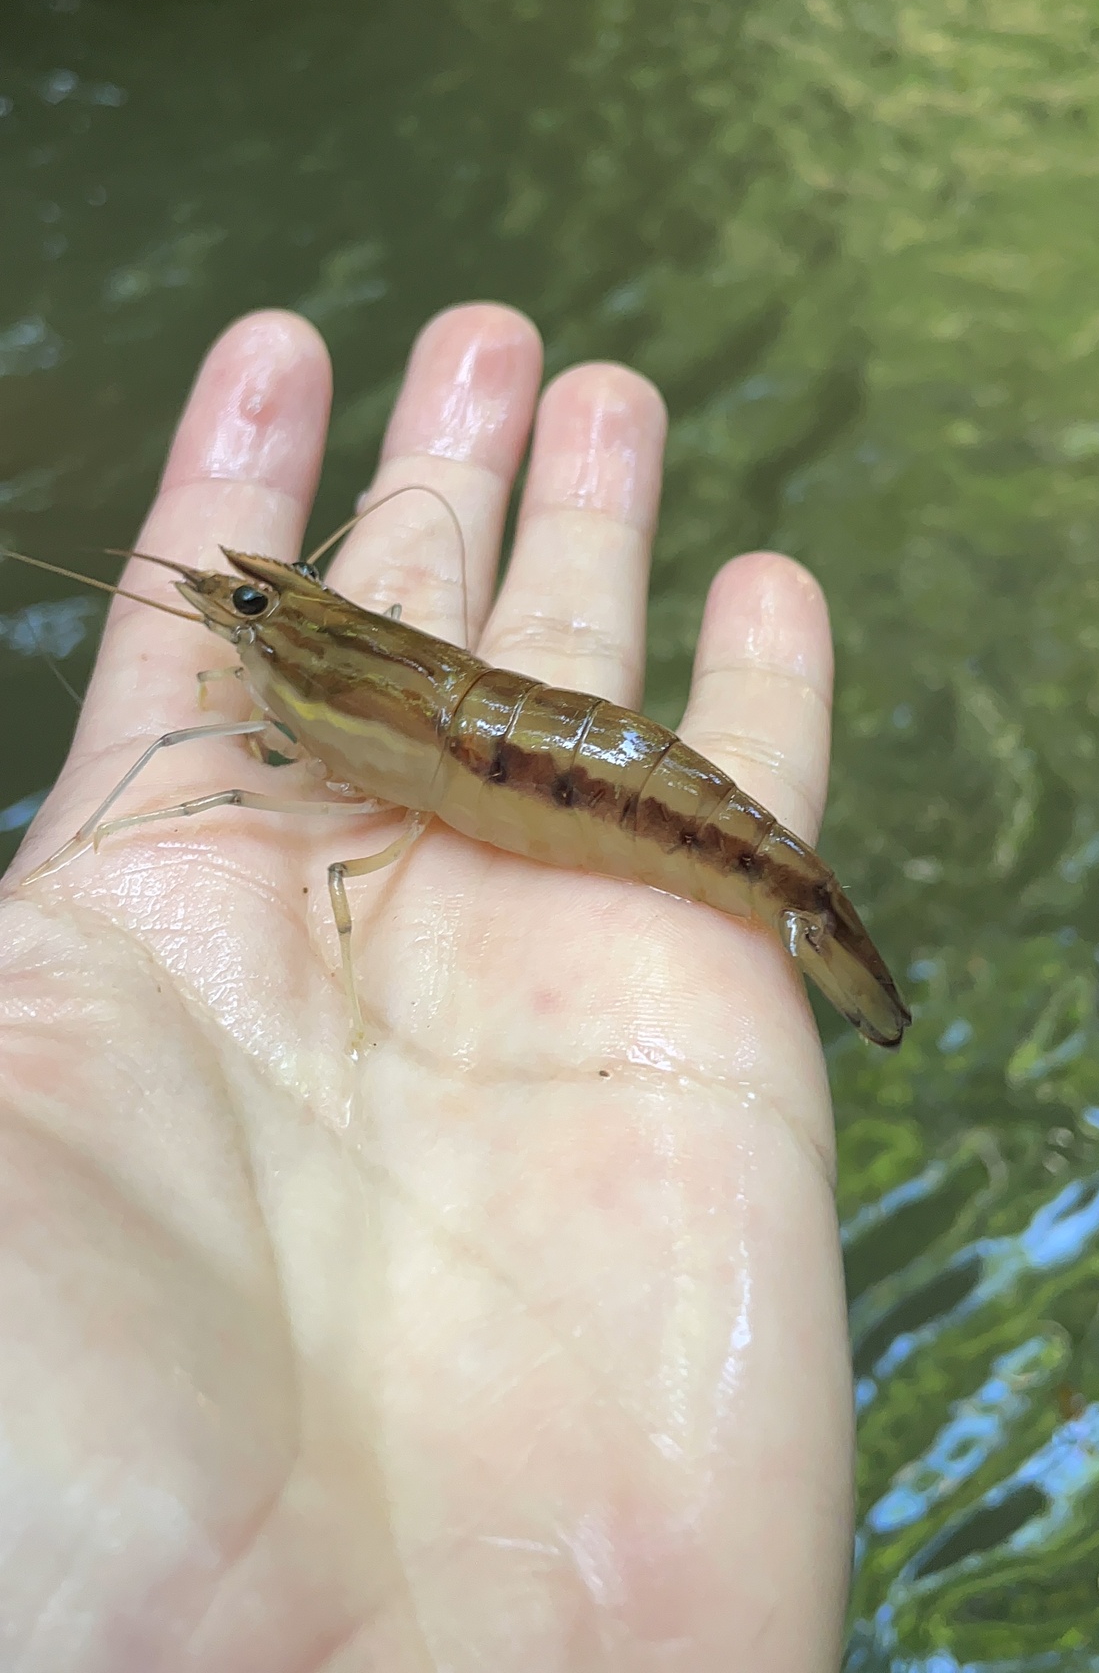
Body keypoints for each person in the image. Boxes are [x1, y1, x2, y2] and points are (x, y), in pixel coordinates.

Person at [0, 303, 853, 1669]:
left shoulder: (280, 706)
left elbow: (284, 791)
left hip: (555, 766)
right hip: (515, 744)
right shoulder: (315, 646)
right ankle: (797, 896)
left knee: (195, 753)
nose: (236, 615)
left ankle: (793, 897)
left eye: (252, 607)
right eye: (248, 607)